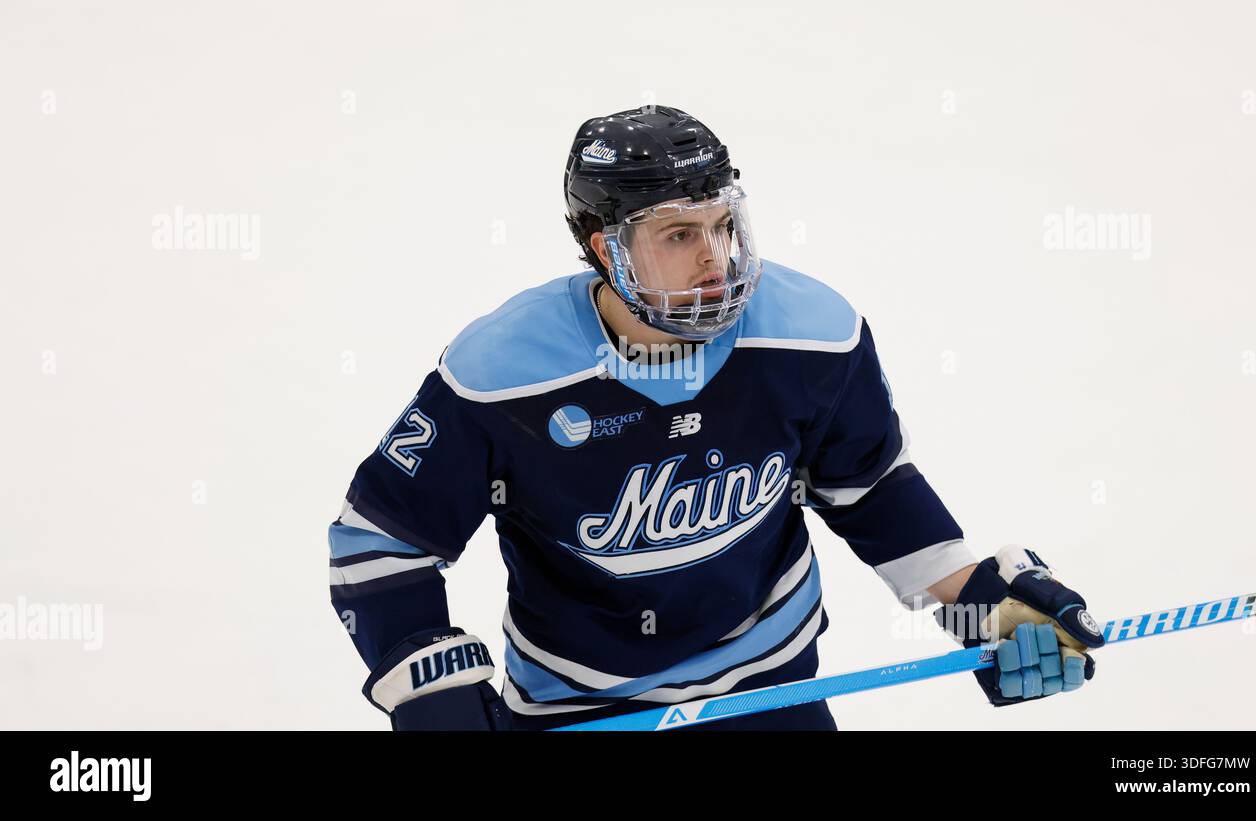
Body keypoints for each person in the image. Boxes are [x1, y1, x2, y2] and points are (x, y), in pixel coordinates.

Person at [327, 105, 1104, 731]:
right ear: (607, 249)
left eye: (722, 224)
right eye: (678, 233)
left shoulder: (811, 333)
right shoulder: (502, 371)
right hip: (581, 708)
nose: (717, 257)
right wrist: (427, 676)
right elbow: (382, 541)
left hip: (768, 693)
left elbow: (868, 490)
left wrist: (983, 605)